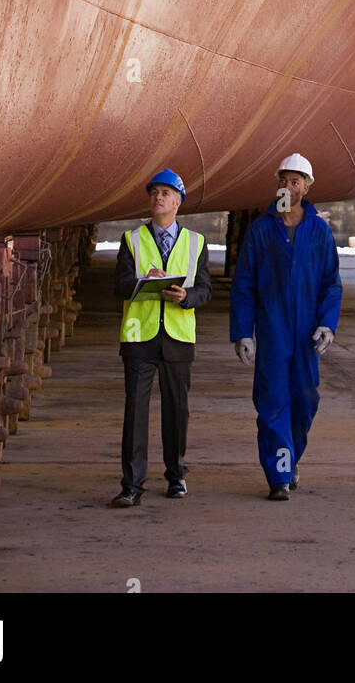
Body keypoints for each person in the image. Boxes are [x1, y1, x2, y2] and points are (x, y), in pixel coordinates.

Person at [229, 153, 342, 501]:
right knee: (273, 401)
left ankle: (291, 458)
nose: (287, 187)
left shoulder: (319, 232)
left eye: (295, 182)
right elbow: (244, 284)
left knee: (305, 400)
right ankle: (278, 474)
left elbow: (331, 284)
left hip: (307, 334)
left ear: (307, 188)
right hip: (274, 333)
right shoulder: (262, 230)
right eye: (283, 180)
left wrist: (327, 324)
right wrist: (243, 332)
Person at [110, 168, 211, 505]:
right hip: (140, 337)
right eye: (154, 192)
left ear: (178, 202)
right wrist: (143, 278)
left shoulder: (196, 243)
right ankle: (131, 485)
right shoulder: (131, 239)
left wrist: (188, 297)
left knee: (177, 411)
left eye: (166, 193)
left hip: (178, 339)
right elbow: (119, 285)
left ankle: (176, 476)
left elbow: (206, 290)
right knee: (135, 412)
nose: (158, 198)